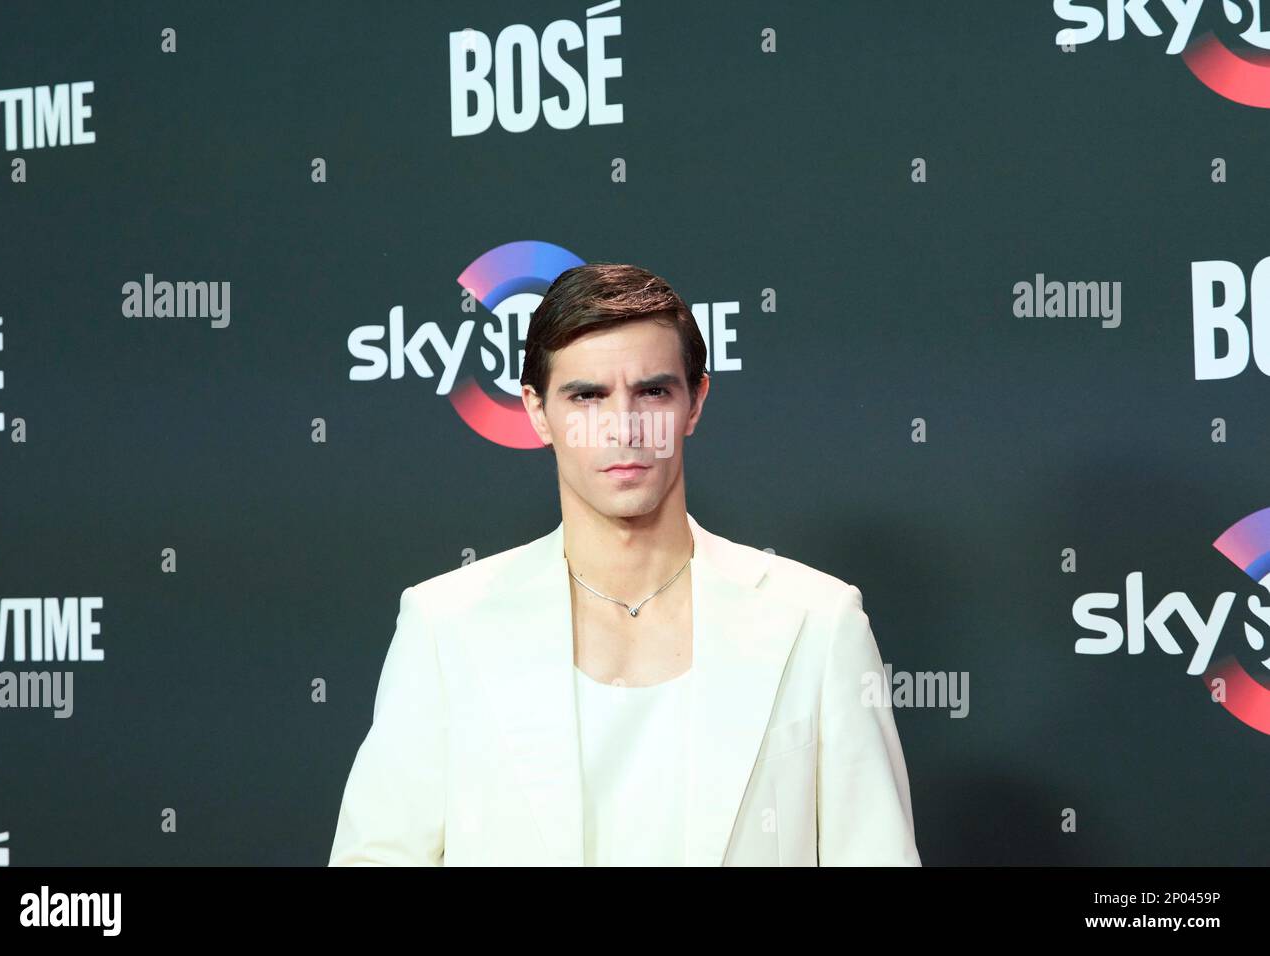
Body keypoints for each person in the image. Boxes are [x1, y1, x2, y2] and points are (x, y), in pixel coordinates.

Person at [328, 262, 921, 866]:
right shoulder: (445, 625)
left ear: (695, 402)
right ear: (537, 412)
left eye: (653, 392)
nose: (625, 428)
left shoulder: (817, 622)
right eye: (587, 397)